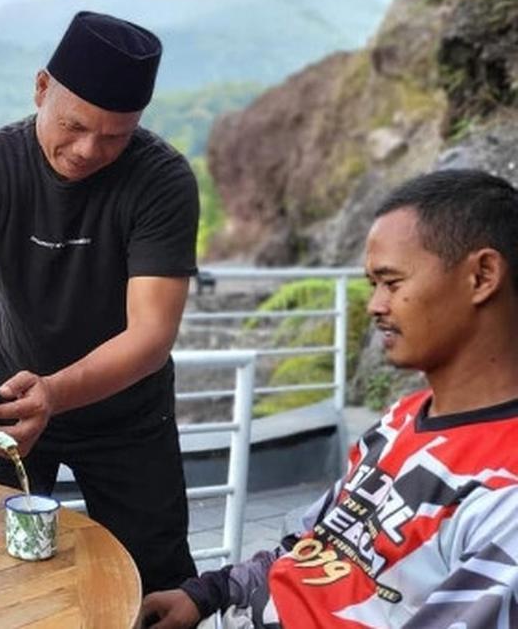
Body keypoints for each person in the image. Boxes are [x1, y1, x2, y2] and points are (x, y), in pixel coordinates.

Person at [0, 11, 200, 592]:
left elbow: (150, 336)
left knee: (157, 579)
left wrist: (55, 392)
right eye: (74, 125)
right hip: (2, 405)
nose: (88, 150)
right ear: (42, 87)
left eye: (115, 136)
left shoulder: (161, 181)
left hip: (127, 414)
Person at [141, 169, 518, 628]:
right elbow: (312, 542)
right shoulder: (400, 421)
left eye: (392, 283)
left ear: (482, 276)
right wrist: (206, 594)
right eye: (373, 284)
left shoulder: (505, 495)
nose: (375, 305)